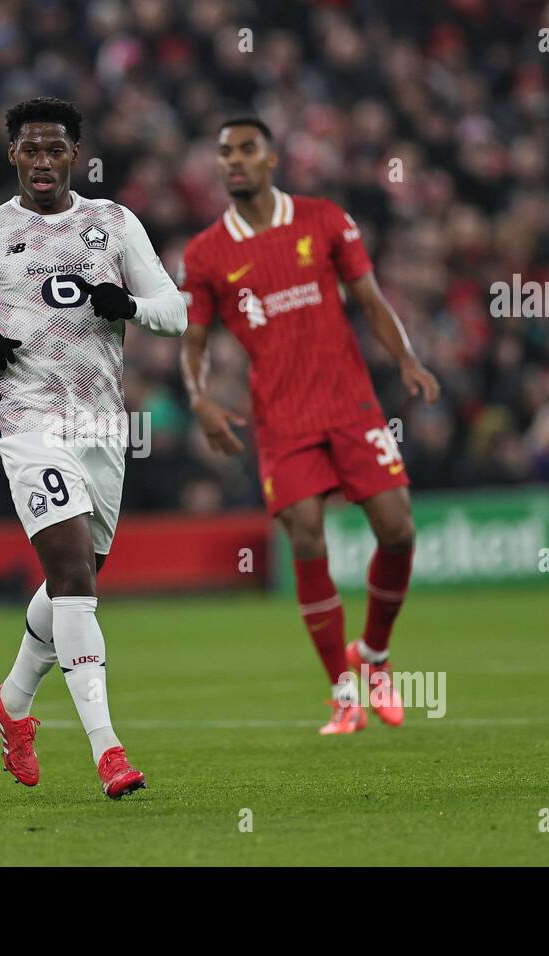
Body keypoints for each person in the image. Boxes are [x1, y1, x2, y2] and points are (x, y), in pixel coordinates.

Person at [0, 97, 187, 798]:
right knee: (69, 574)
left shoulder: (114, 222)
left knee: (78, 578)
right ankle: (109, 751)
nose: (42, 162)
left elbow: (176, 310)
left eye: (55, 150)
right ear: (13, 156)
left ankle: (11, 703)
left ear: (75, 155)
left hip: (102, 427)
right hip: (30, 421)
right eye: (30, 150)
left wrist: (132, 308)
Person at [179, 119, 441, 734]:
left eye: (246, 149)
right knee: (305, 536)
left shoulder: (325, 219)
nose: (233, 161)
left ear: (272, 158)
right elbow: (194, 339)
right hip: (282, 418)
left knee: (398, 529)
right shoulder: (205, 253)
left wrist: (405, 358)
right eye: (224, 152)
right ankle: (342, 692)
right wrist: (198, 399)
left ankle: (373, 655)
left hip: (351, 404)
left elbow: (371, 301)